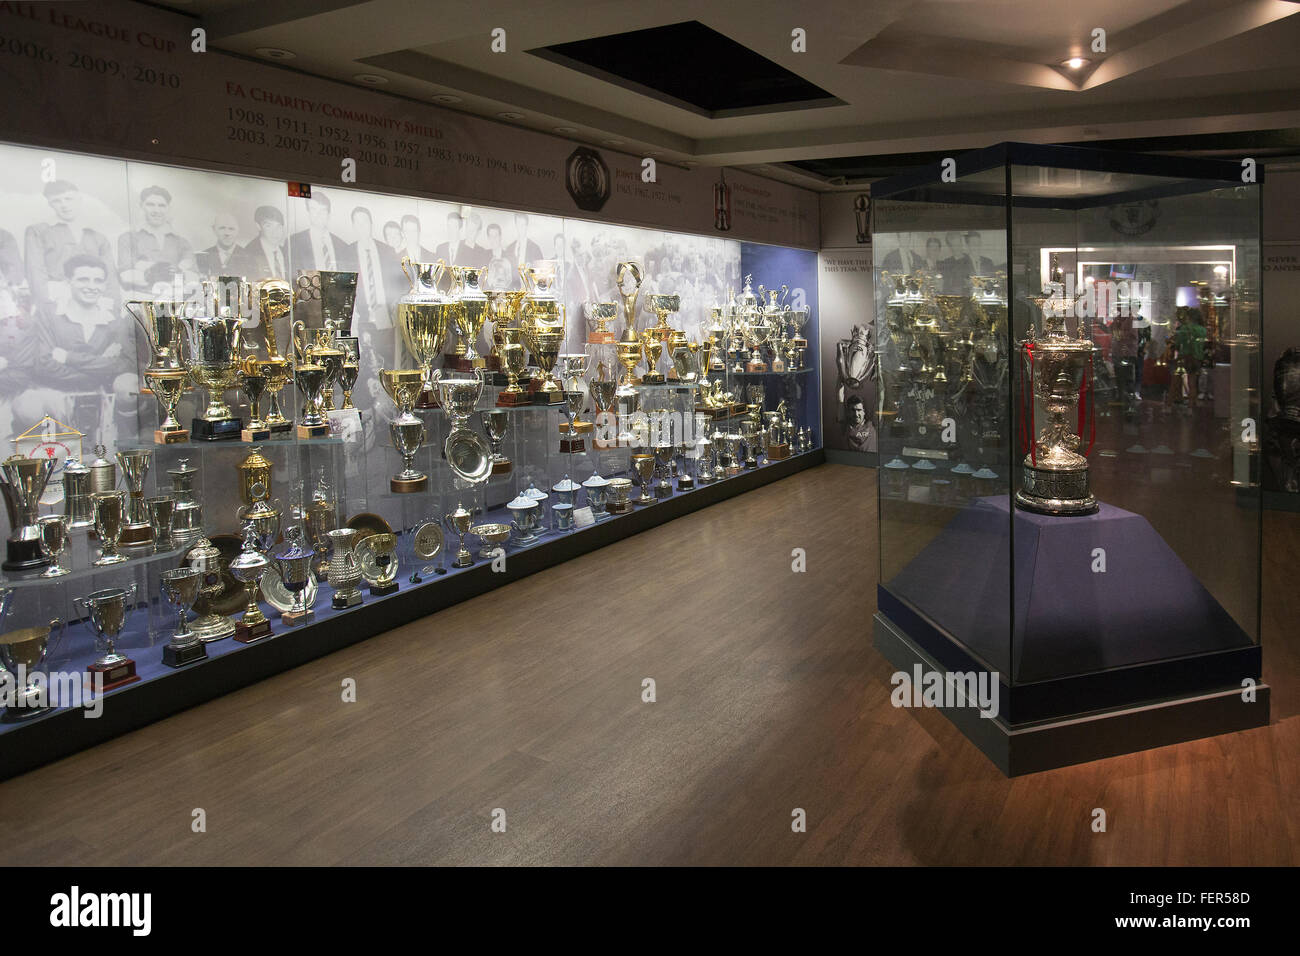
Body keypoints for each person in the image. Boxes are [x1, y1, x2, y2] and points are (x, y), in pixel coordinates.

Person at [33, 254, 130, 392]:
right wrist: (97, 371)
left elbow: (121, 365)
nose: (91, 287)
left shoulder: (112, 318)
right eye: (83, 280)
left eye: (98, 281)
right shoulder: (48, 313)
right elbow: (43, 365)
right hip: (54, 393)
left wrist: (68, 357)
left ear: (104, 285)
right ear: (68, 282)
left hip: (100, 396)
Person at [24, 180, 117, 310]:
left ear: (79, 199)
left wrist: (113, 306)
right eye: (57, 201)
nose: (64, 205)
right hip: (56, 296)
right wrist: (45, 306)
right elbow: (35, 273)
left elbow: (110, 276)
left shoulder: (97, 235)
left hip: (94, 296)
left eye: (68, 199)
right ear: (50, 204)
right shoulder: (37, 231)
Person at [117, 185, 196, 296]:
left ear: (168, 208)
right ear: (142, 206)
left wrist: (179, 274)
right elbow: (124, 276)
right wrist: (149, 275)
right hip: (142, 301)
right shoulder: (127, 238)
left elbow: (194, 278)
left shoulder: (182, 242)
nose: (156, 210)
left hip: (174, 302)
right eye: (150, 205)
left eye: (162, 205)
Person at [289, 191, 356, 272]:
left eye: (323, 210)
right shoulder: (293, 242)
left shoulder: (342, 246)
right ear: (308, 213)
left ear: (329, 214)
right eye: (314, 210)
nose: (318, 215)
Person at [1167, 307, 1207, 409]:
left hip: (1183, 357)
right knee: (1192, 382)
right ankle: (1190, 407)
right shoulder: (1203, 330)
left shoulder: (1184, 328)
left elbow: (1178, 343)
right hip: (1197, 358)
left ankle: (1168, 406)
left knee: (1174, 382)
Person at [240, 206, 290, 280]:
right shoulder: (247, 254)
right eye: (268, 226)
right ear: (258, 226)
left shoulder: (287, 252)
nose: (275, 232)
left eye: (278, 226)